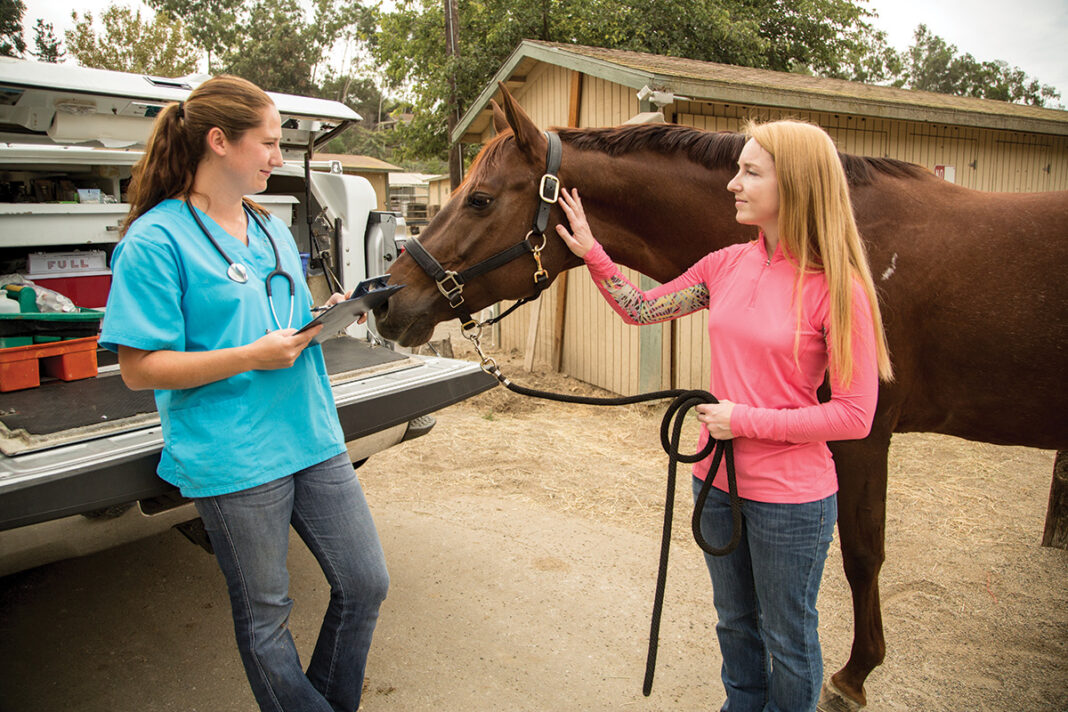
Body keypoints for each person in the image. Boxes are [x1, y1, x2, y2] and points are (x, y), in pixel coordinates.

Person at [554, 119, 893, 712]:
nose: (733, 183)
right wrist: (593, 254)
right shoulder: (725, 265)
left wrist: (746, 420)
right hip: (714, 483)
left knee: (788, 641)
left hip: (791, 500)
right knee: (734, 625)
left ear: (798, 185)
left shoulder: (838, 291)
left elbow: (854, 417)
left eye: (750, 172)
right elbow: (641, 310)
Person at [99, 75, 389, 712]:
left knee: (365, 583)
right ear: (218, 142)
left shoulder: (269, 228)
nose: (279, 156)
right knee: (267, 617)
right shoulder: (154, 241)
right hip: (233, 451)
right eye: (269, 141)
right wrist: (251, 356)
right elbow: (139, 368)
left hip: (308, 432)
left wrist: (327, 316)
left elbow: (277, 314)